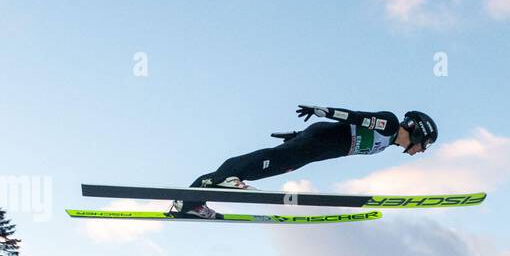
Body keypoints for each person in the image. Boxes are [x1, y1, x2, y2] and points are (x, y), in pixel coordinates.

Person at [172, 105, 438, 216]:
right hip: (317, 141)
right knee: (269, 159)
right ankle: (228, 180)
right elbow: (355, 117)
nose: (422, 151)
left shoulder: (386, 144)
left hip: (314, 149)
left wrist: (297, 136)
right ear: (418, 132)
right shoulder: (389, 125)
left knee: (270, 164)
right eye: (425, 144)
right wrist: (322, 111)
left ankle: (189, 203)